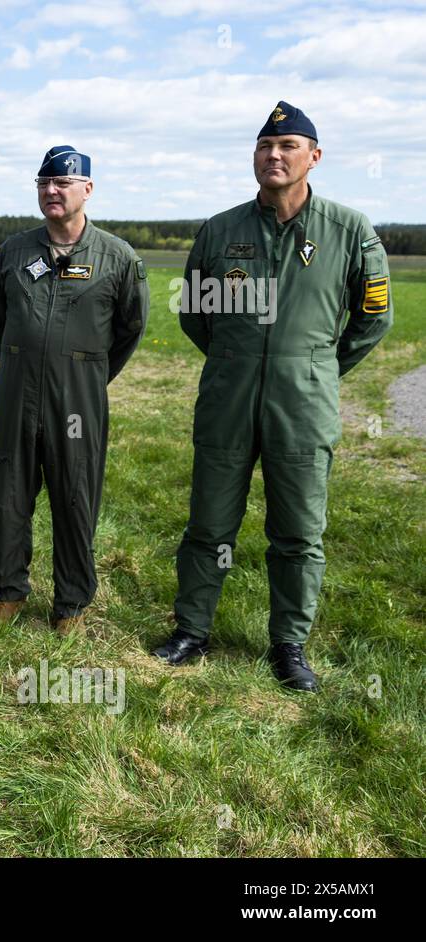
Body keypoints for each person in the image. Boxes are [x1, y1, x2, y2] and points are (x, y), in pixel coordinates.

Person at [153, 102, 393, 690]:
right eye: (265, 146)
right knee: (209, 524)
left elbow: (374, 315)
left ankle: (289, 644)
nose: (274, 156)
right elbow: (195, 312)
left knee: (298, 532)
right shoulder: (221, 230)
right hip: (228, 399)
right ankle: (191, 630)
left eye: (288, 146)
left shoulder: (348, 229)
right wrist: (236, 359)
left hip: (304, 403)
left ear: (314, 157)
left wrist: (319, 369)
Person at [0, 146, 148, 634]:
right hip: (15, 392)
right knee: (8, 492)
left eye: (62, 183)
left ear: (87, 190)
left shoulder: (117, 257)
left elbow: (130, 328)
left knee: (76, 496)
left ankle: (71, 602)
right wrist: (21, 363)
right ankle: (8, 592)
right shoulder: (14, 252)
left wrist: (86, 373)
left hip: (77, 399)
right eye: (43, 183)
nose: (51, 191)